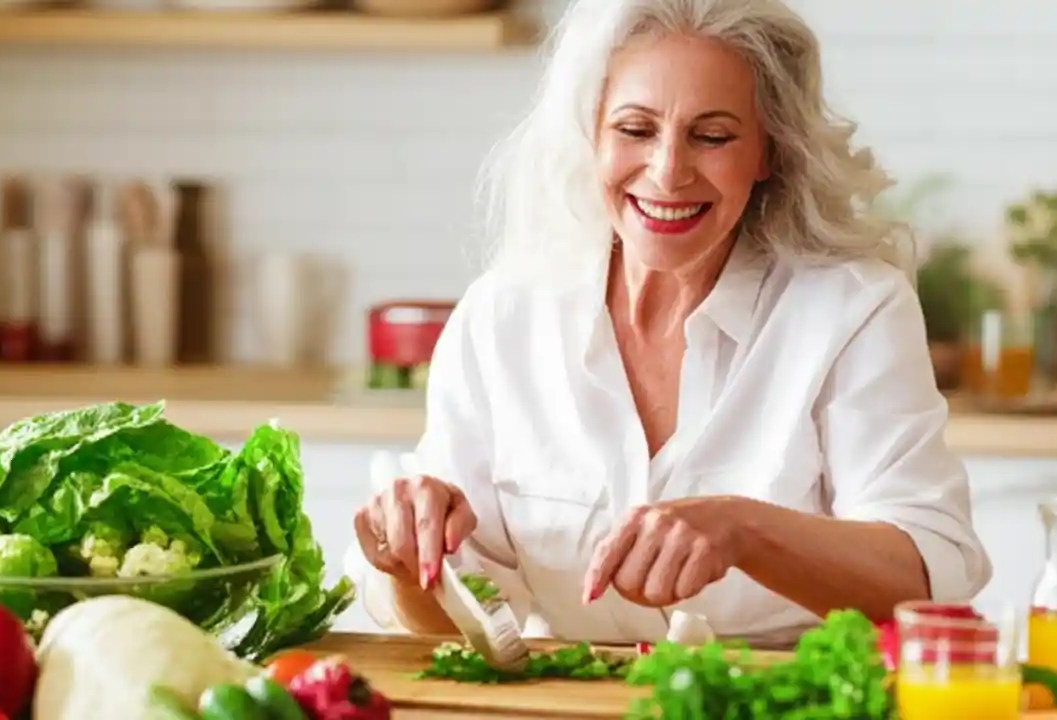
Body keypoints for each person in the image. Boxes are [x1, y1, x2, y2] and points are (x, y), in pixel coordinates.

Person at [345, 0, 991, 645]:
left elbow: (927, 573)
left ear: (769, 149)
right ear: (591, 132)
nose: (668, 172)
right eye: (634, 129)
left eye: (712, 136)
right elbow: (473, 619)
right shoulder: (503, 319)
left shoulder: (853, 311)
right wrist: (410, 559)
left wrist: (743, 531)